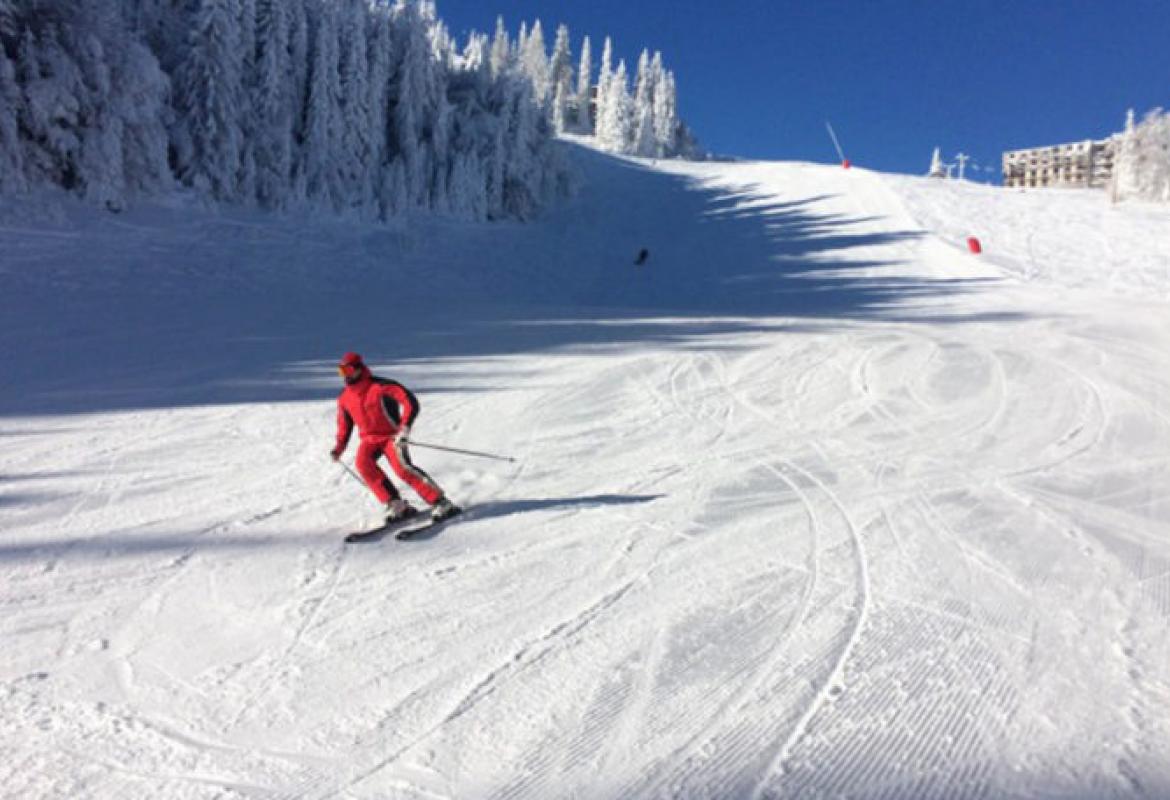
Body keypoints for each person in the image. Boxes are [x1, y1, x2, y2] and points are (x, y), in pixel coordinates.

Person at [330, 352, 459, 524]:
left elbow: (409, 401)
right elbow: (344, 425)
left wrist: (404, 429)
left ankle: (441, 503)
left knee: (402, 468)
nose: (345, 375)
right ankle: (396, 504)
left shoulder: (381, 386)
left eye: (348, 370)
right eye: (341, 371)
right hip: (369, 439)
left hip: (392, 436)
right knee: (363, 463)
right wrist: (339, 448)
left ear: (360, 369)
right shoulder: (345, 398)